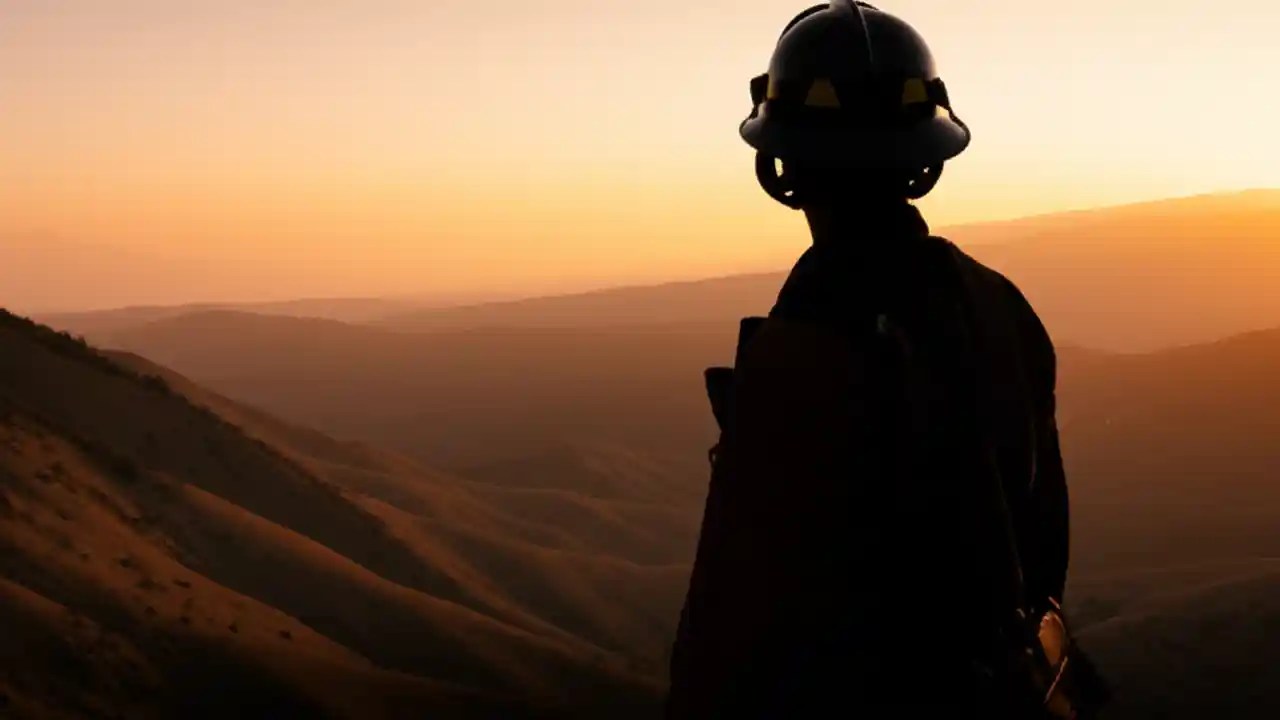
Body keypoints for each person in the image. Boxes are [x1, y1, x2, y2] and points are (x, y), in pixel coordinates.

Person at [666, 2, 1077, 716]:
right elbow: (1043, 536)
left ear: (781, 162)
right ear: (925, 155)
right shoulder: (997, 304)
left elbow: (732, 632)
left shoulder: (804, 343)